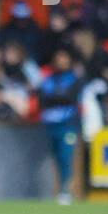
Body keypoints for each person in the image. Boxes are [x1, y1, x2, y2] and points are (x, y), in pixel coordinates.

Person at [37, 47, 83, 204]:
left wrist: (55, 98)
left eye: (64, 58)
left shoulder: (74, 79)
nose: (61, 61)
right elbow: (42, 99)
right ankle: (56, 190)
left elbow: (70, 98)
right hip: (50, 125)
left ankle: (66, 190)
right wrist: (58, 98)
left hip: (67, 124)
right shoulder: (49, 79)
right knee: (55, 158)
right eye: (59, 58)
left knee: (66, 157)